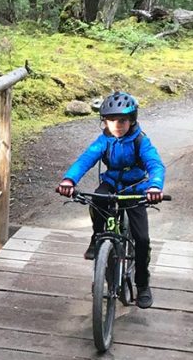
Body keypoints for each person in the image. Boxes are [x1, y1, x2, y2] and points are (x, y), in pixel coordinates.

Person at [55, 91, 165, 309]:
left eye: (122, 120)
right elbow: (85, 159)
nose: (117, 125)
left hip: (136, 189)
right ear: (104, 121)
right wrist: (69, 180)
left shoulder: (140, 141)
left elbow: (155, 164)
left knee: (142, 239)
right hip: (112, 183)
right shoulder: (104, 141)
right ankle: (98, 237)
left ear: (132, 120)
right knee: (98, 200)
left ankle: (142, 284)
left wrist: (155, 186)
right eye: (111, 120)